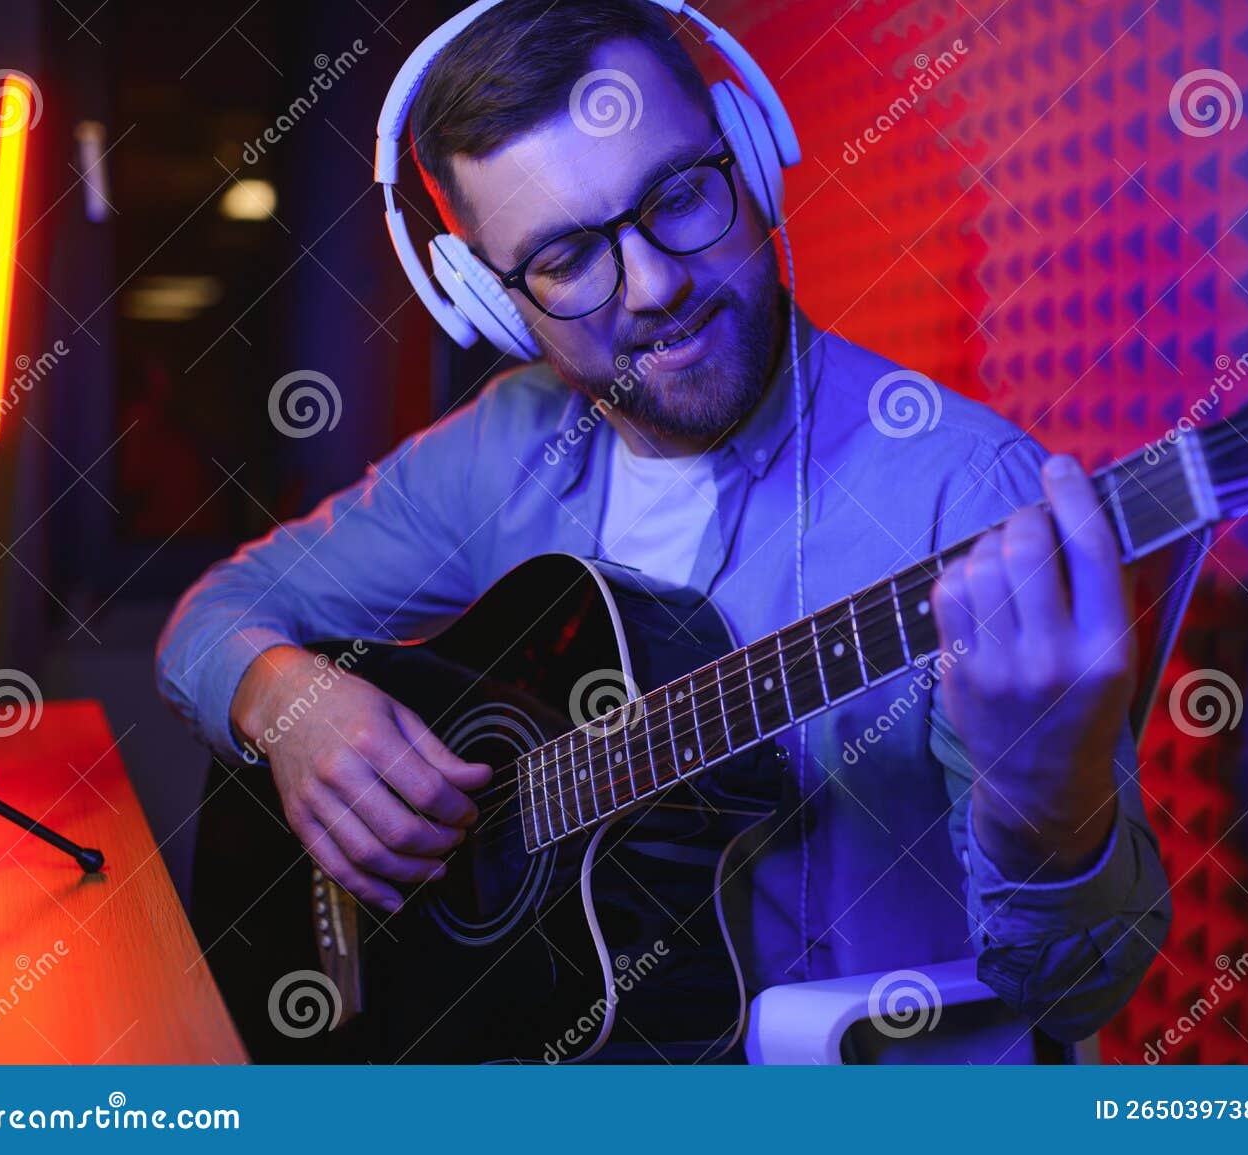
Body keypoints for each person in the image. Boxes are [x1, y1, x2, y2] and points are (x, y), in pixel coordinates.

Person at [156, 0, 1170, 1045]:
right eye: (563, 261)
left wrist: (1046, 802)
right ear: (492, 302)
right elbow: (214, 616)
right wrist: (287, 701)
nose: (654, 286)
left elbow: (1076, 996)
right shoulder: (505, 445)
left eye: (680, 195)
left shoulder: (967, 498)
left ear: (752, 160)